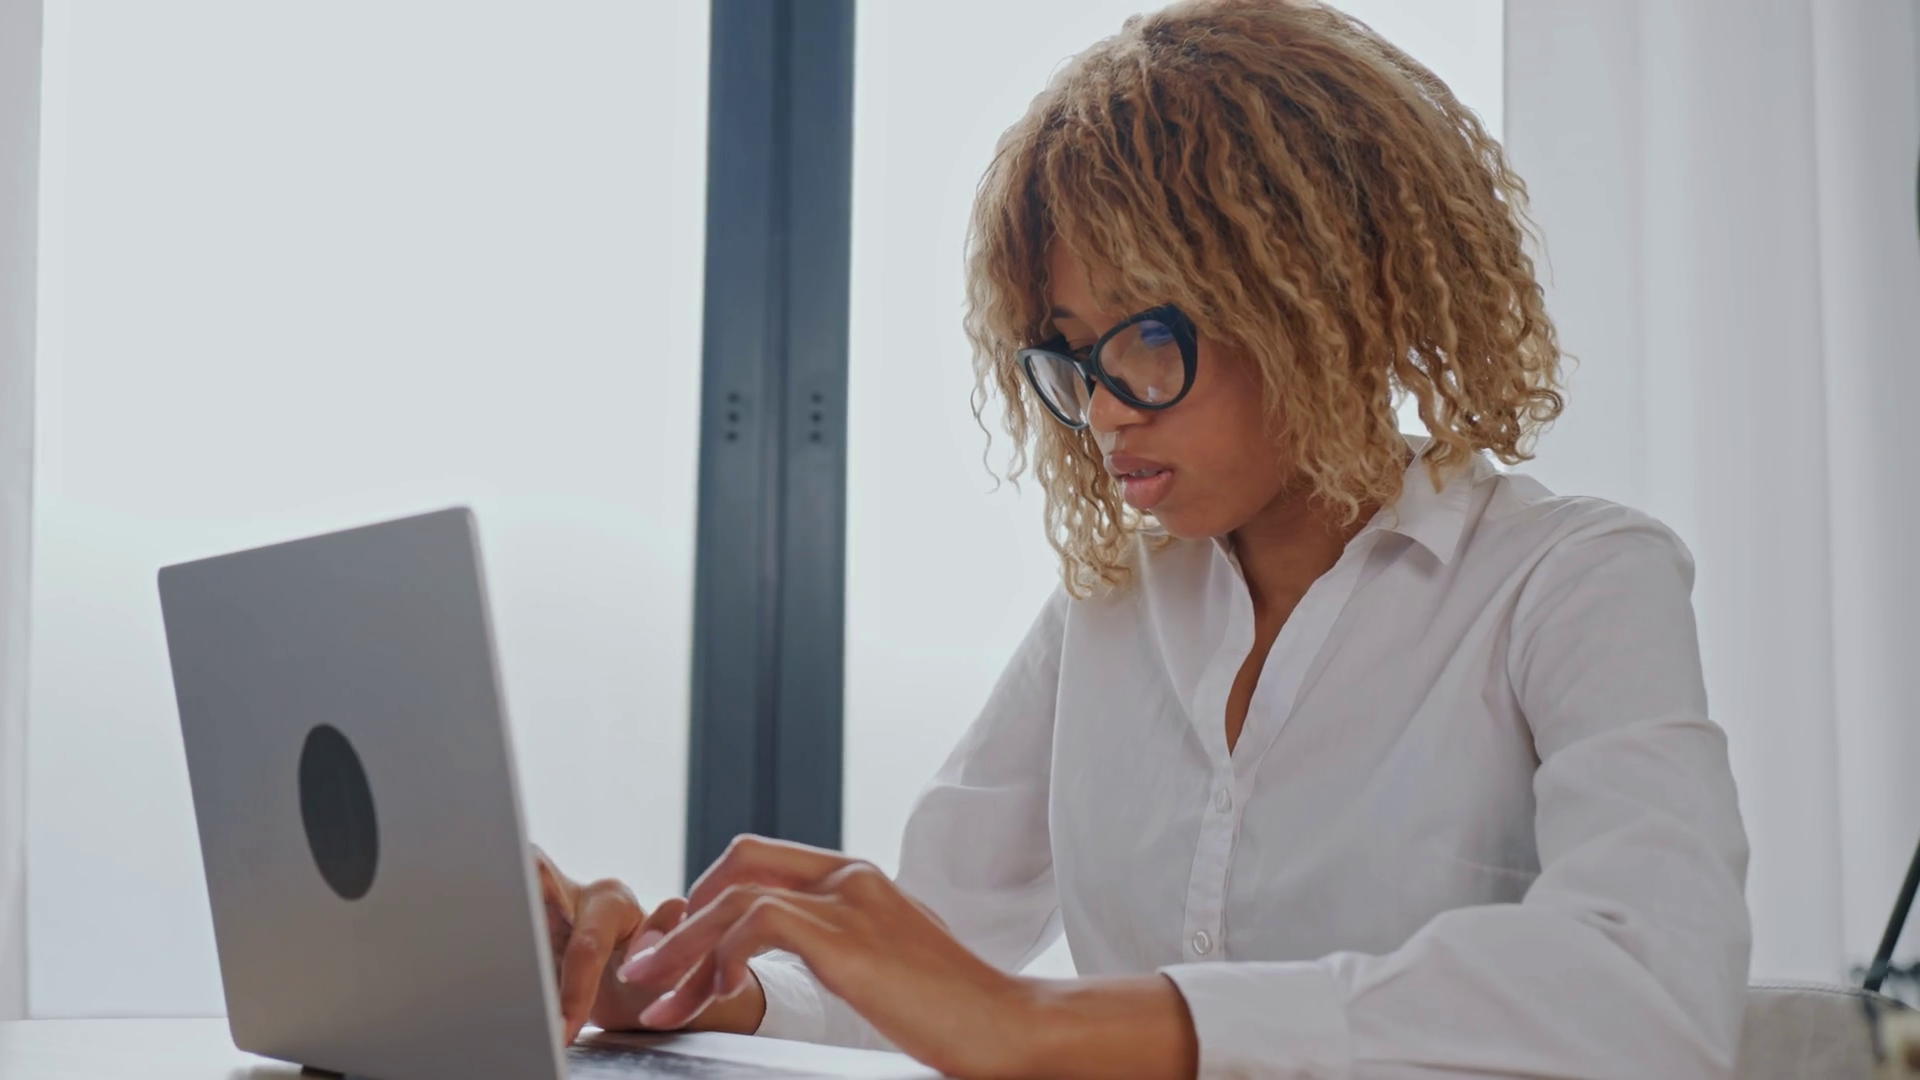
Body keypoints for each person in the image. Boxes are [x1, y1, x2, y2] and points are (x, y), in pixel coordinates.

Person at [538, 1, 1751, 1076]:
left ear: (1324, 303)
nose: (1107, 408)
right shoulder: (1109, 611)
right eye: (1072, 354)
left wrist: (1044, 1026)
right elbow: (930, 975)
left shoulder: (1575, 581)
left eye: (1150, 338)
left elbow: (1652, 996)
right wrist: (687, 988)